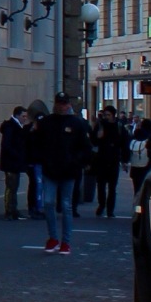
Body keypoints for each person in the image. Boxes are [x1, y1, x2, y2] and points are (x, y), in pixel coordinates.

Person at [32, 95, 93, 255]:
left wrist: (76, 161)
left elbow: (85, 147)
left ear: (68, 105)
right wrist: (41, 159)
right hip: (50, 169)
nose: (61, 106)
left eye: (64, 104)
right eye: (59, 103)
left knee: (66, 206)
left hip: (68, 170)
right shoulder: (47, 122)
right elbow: (36, 143)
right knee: (49, 203)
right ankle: (53, 238)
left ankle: (65, 241)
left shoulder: (77, 123)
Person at [88, 106, 127, 219]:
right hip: (101, 159)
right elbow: (93, 142)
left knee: (112, 187)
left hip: (114, 159)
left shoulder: (119, 127)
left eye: (108, 115)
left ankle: (110, 209)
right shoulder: (100, 125)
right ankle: (101, 205)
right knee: (100, 185)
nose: (106, 117)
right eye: (105, 115)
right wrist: (97, 136)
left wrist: (124, 160)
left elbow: (124, 144)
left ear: (113, 116)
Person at [0, 105, 33, 220]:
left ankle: (13, 209)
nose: (25, 119)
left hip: (13, 162)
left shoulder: (14, 127)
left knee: (13, 186)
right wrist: (17, 155)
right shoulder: (11, 127)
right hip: (11, 163)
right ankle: (9, 210)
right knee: (11, 187)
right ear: (17, 115)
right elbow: (7, 145)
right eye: (23, 116)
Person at [23, 98, 50, 219]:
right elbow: (26, 145)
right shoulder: (30, 131)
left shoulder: (42, 132)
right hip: (34, 162)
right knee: (36, 185)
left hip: (40, 161)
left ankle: (37, 207)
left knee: (38, 185)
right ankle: (35, 207)